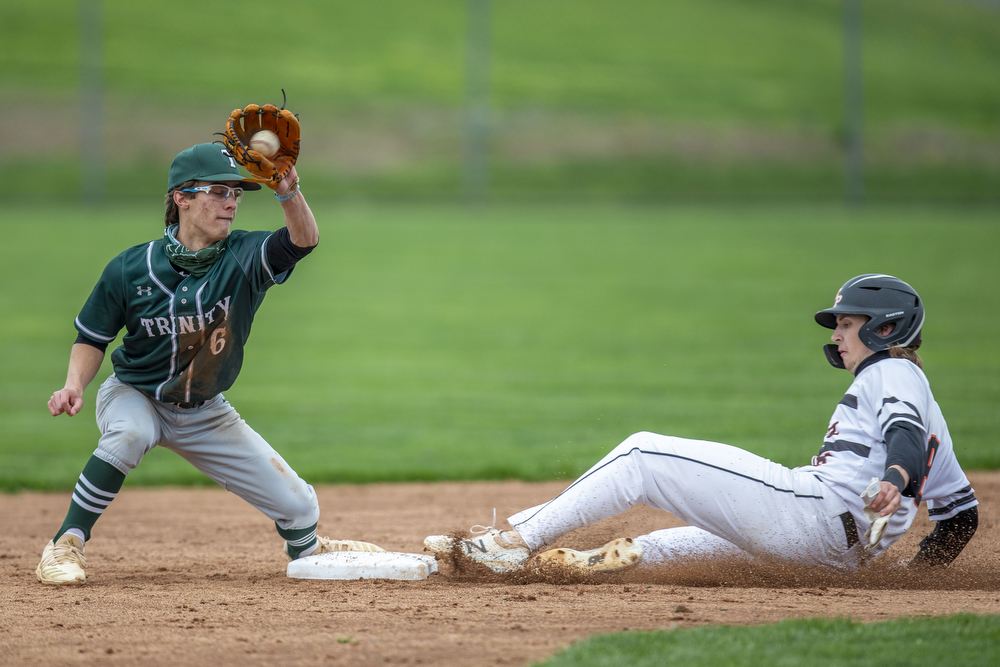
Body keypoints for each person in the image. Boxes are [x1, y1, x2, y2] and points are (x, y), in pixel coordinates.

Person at [425, 274, 979, 573]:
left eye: (848, 323)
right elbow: (962, 515)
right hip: (840, 553)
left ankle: (512, 543)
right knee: (662, 549)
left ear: (885, 330)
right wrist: (910, 581)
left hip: (812, 517)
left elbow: (902, 437)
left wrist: (897, 478)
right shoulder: (930, 408)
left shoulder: (892, 375)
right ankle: (568, 565)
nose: (836, 334)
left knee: (643, 455)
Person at [36, 143, 383, 585]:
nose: (231, 202)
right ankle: (65, 542)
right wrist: (74, 385)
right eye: (218, 191)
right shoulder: (129, 268)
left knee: (300, 506)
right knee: (130, 433)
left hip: (205, 411)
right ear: (181, 197)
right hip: (135, 395)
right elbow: (93, 337)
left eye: (236, 193)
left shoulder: (243, 256)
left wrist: (288, 192)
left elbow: (303, 241)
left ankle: (310, 548)